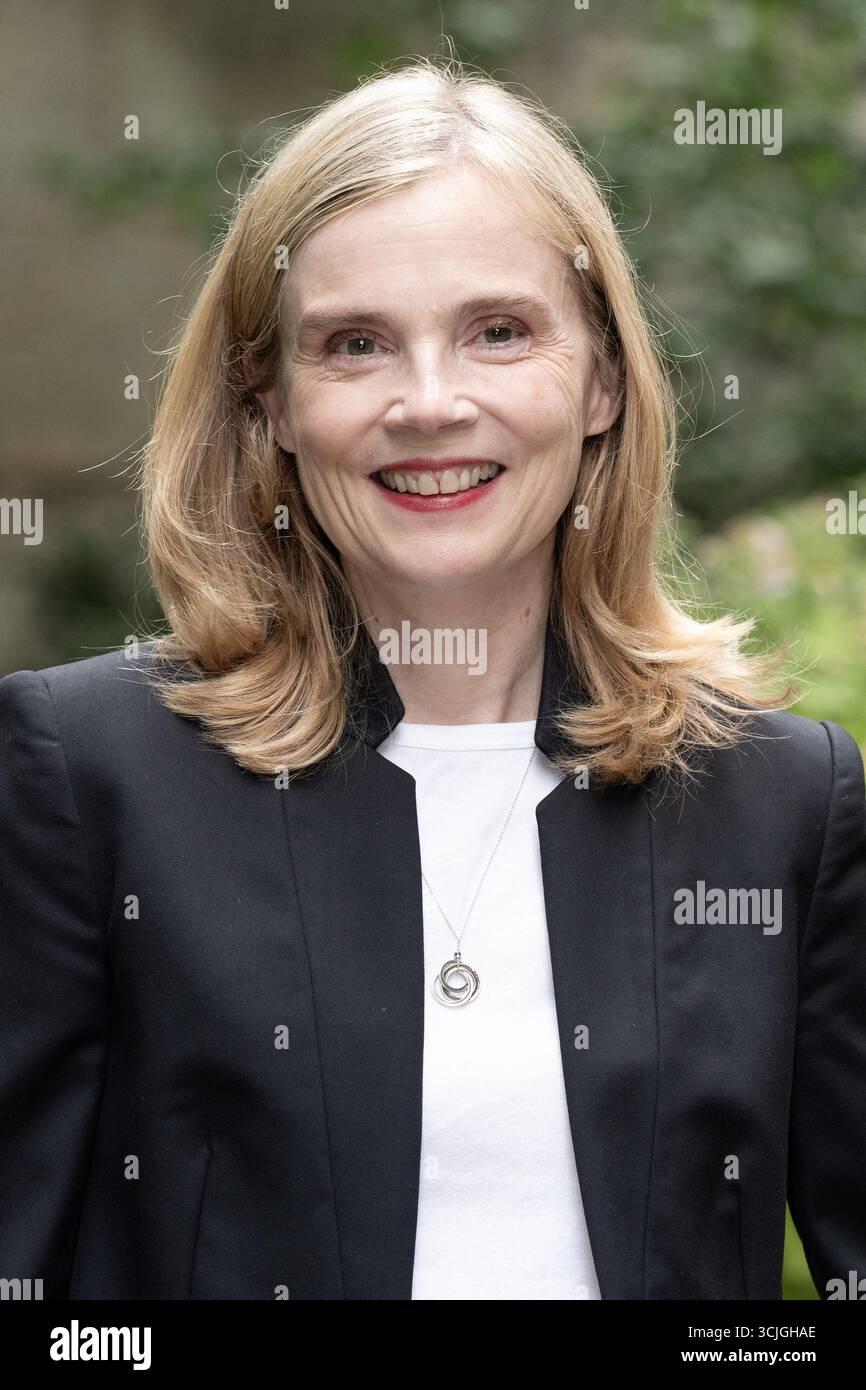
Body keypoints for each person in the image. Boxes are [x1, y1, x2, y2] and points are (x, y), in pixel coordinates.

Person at [1, 57, 864, 1302]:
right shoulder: (84, 772)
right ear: (272, 402)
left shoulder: (783, 800)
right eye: (354, 345)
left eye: (497, 331)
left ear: (603, 379)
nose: (428, 401)